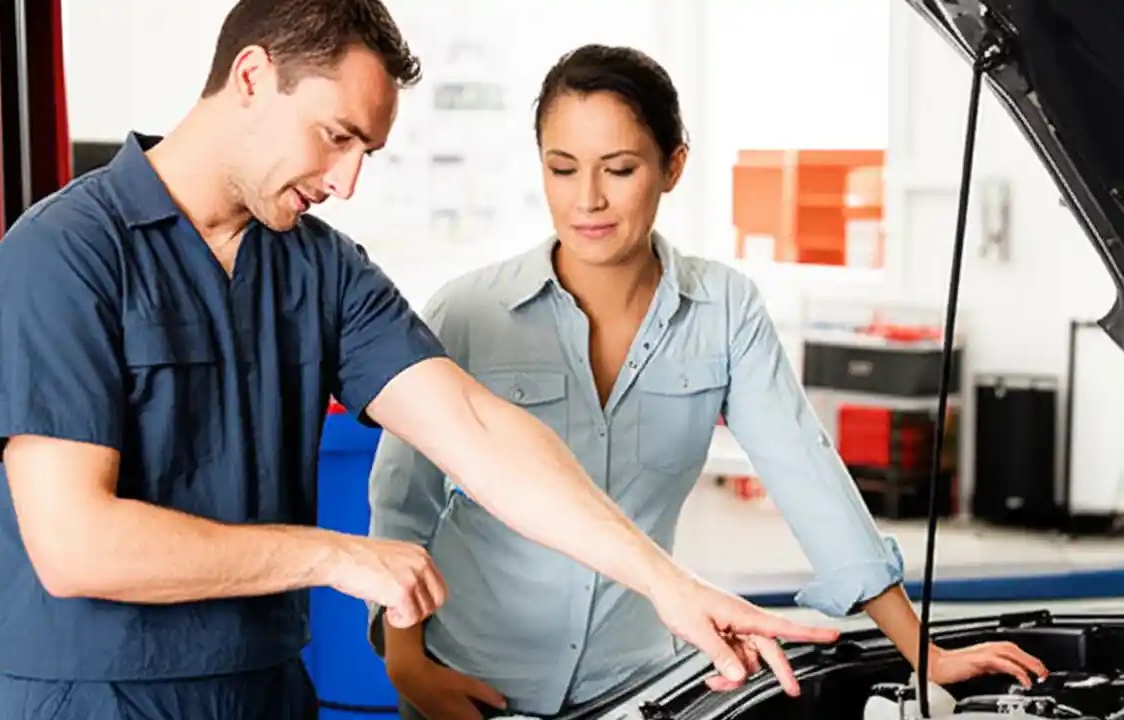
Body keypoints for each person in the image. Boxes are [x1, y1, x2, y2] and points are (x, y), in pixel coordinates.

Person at [0, 4, 841, 719]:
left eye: (367, 154)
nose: (346, 183)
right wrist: (333, 555)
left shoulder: (316, 266)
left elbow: (476, 430)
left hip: (268, 688)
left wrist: (668, 585)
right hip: (99, 697)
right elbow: (75, 546)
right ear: (251, 77)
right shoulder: (64, 259)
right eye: (335, 137)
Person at [368, 44, 1051, 720]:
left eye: (620, 168)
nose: (588, 199)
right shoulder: (467, 313)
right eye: (562, 168)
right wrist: (409, 669)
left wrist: (923, 655)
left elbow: (807, 475)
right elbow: (405, 505)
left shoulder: (724, 313)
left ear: (673, 167)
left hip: (633, 687)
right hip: (469, 680)